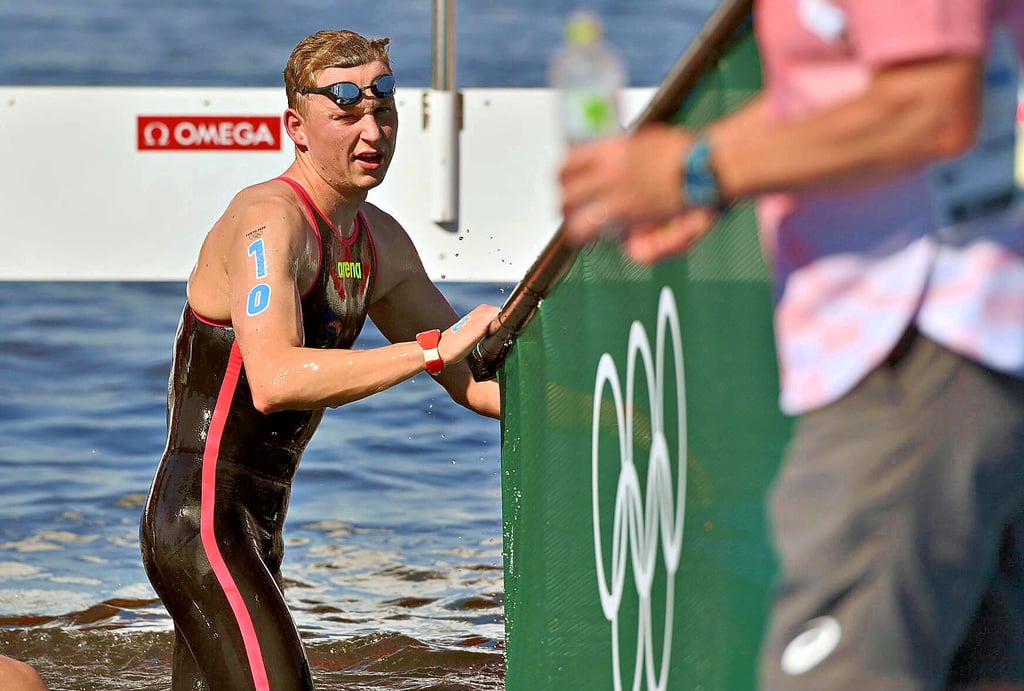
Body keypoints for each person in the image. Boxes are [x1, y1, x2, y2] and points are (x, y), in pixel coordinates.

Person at [558, 1, 1024, 690]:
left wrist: (699, 167)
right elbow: (840, 87)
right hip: (952, 343)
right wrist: (703, 180)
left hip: (920, 339)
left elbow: (932, 102)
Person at [139, 29, 500, 691]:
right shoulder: (268, 220)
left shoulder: (380, 242)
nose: (372, 130)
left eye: (383, 108)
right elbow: (275, 379)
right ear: (296, 126)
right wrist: (424, 350)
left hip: (257, 533)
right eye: (347, 112)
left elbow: (477, 385)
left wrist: (607, 407)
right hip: (201, 528)